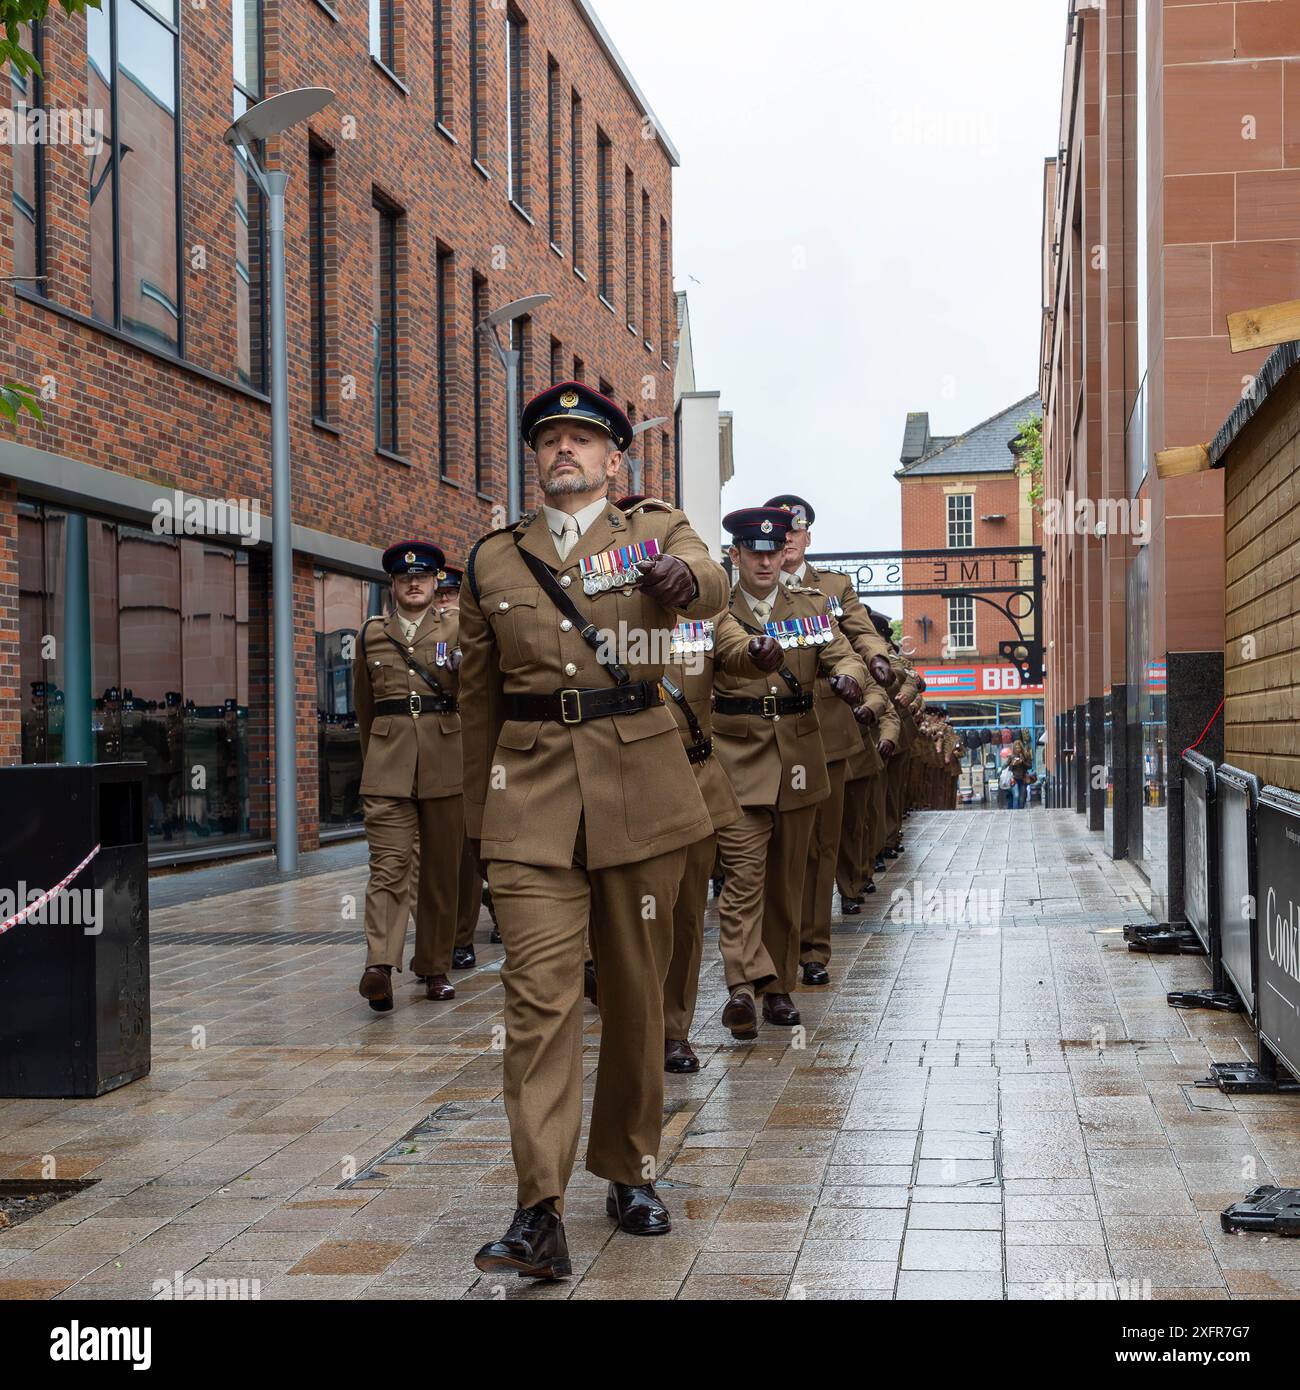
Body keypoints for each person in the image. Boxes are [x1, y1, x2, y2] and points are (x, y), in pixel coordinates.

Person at [459, 381, 731, 1279]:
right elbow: (475, 703)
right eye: (549, 442)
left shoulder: (658, 531)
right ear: (534, 460)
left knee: (634, 997)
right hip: (531, 802)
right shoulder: (495, 558)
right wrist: (474, 823)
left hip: (641, 794)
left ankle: (630, 1168)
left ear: (616, 460)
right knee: (536, 1003)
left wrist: (682, 579)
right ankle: (538, 1210)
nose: (563, 452)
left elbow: (711, 582)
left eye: (583, 440)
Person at [711, 507, 870, 1038]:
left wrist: (849, 679)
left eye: (771, 552)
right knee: (743, 877)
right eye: (751, 552)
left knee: (788, 882)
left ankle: (777, 989)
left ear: (785, 554)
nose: (762, 561)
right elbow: (702, 669)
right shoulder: (714, 610)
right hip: (736, 759)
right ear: (735, 555)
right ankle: (741, 984)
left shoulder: (809, 608)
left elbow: (843, 654)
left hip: (799, 759)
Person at [765, 494, 894, 977]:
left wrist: (875, 661)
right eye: (781, 533)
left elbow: (861, 634)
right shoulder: (749, 586)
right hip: (766, 729)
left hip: (827, 727)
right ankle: (772, 951)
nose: (789, 540)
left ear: (806, 537)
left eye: (795, 532)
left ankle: (813, 950)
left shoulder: (834, 588)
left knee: (820, 845)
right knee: (774, 845)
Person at [355, 542, 465, 1012]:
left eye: (422, 577)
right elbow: (364, 707)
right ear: (393, 585)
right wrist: (374, 760)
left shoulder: (459, 630)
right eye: (404, 578)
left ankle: (434, 965)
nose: (414, 583)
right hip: (388, 767)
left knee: (440, 873)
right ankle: (379, 965)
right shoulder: (371, 635)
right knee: (389, 867)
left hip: (445, 761)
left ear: (436, 582)